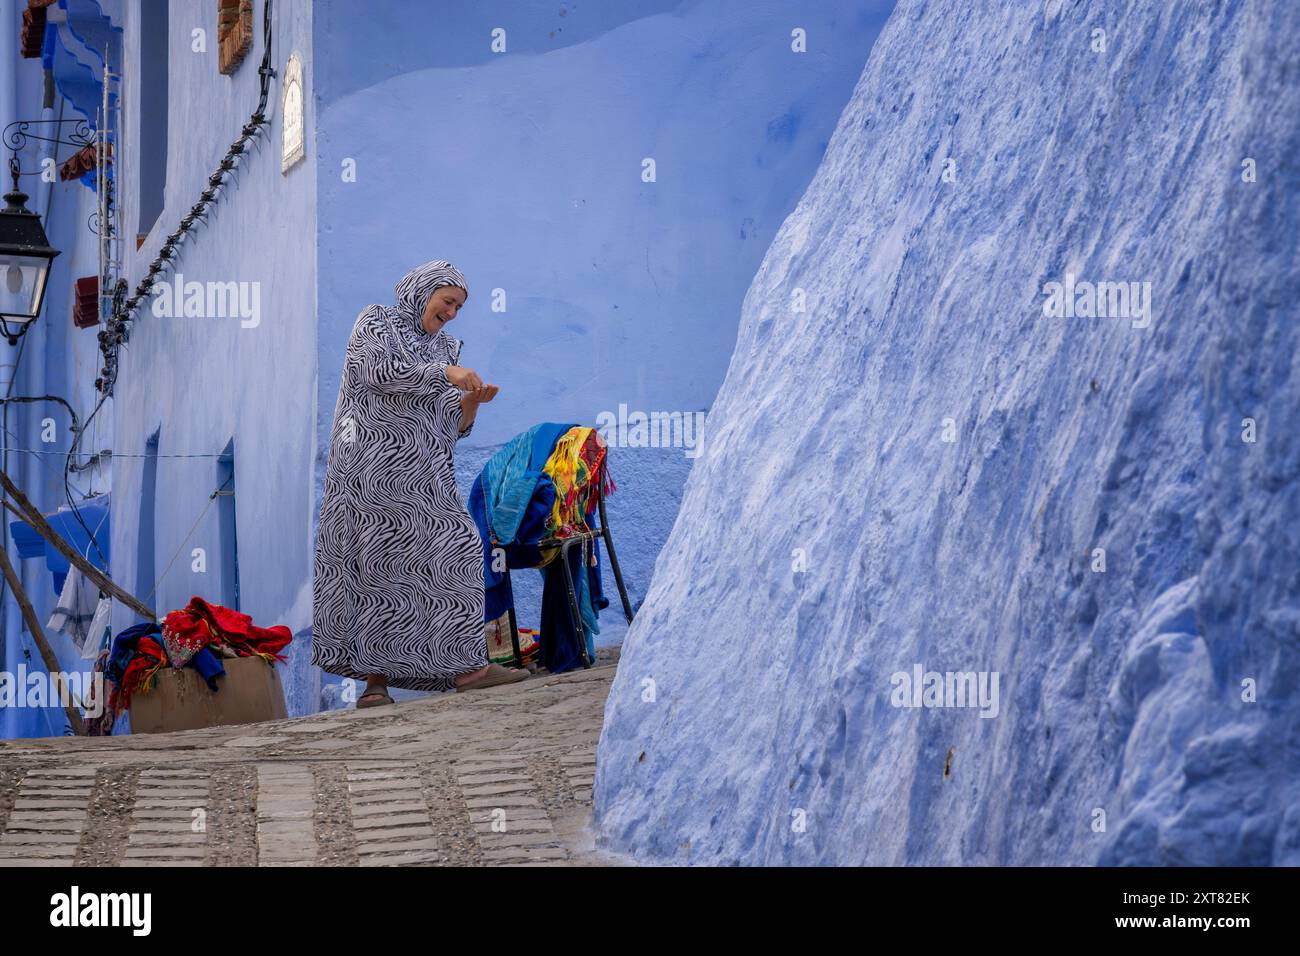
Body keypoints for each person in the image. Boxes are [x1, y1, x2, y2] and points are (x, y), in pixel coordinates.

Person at [312, 260, 528, 706]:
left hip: (427, 476)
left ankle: (466, 667)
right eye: (448, 301)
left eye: (458, 308)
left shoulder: (447, 345)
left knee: (459, 547)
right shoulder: (376, 321)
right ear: (422, 290)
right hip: (371, 471)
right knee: (378, 562)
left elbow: (452, 423)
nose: (451, 313)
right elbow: (378, 372)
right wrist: (447, 375)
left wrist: (470, 402)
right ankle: (375, 683)